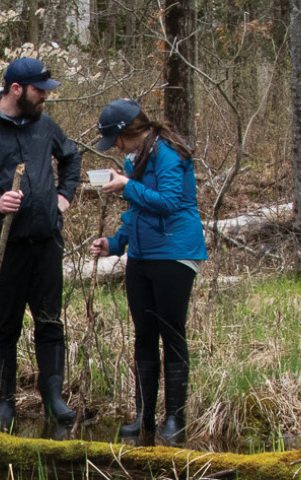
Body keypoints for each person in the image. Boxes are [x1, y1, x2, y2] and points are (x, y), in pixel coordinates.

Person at [0, 55, 82, 431]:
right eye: (39, 90)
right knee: (3, 326)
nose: (45, 96)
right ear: (16, 89)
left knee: (49, 322)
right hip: (5, 244)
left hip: (46, 242)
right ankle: (4, 401)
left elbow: (71, 157)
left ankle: (54, 398)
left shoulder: (45, 125)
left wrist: (64, 197)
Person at [88, 99, 207, 444]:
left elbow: (169, 203)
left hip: (174, 254)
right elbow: (139, 211)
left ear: (129, 132)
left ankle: (174, 419)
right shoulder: (135, 158)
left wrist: (127, 186)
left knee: (171, 334)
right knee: (143, 336)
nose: (116, 148)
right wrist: (115, 243)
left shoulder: (169, 154)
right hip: (141, 256)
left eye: (116, 140)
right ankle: (144, 418)